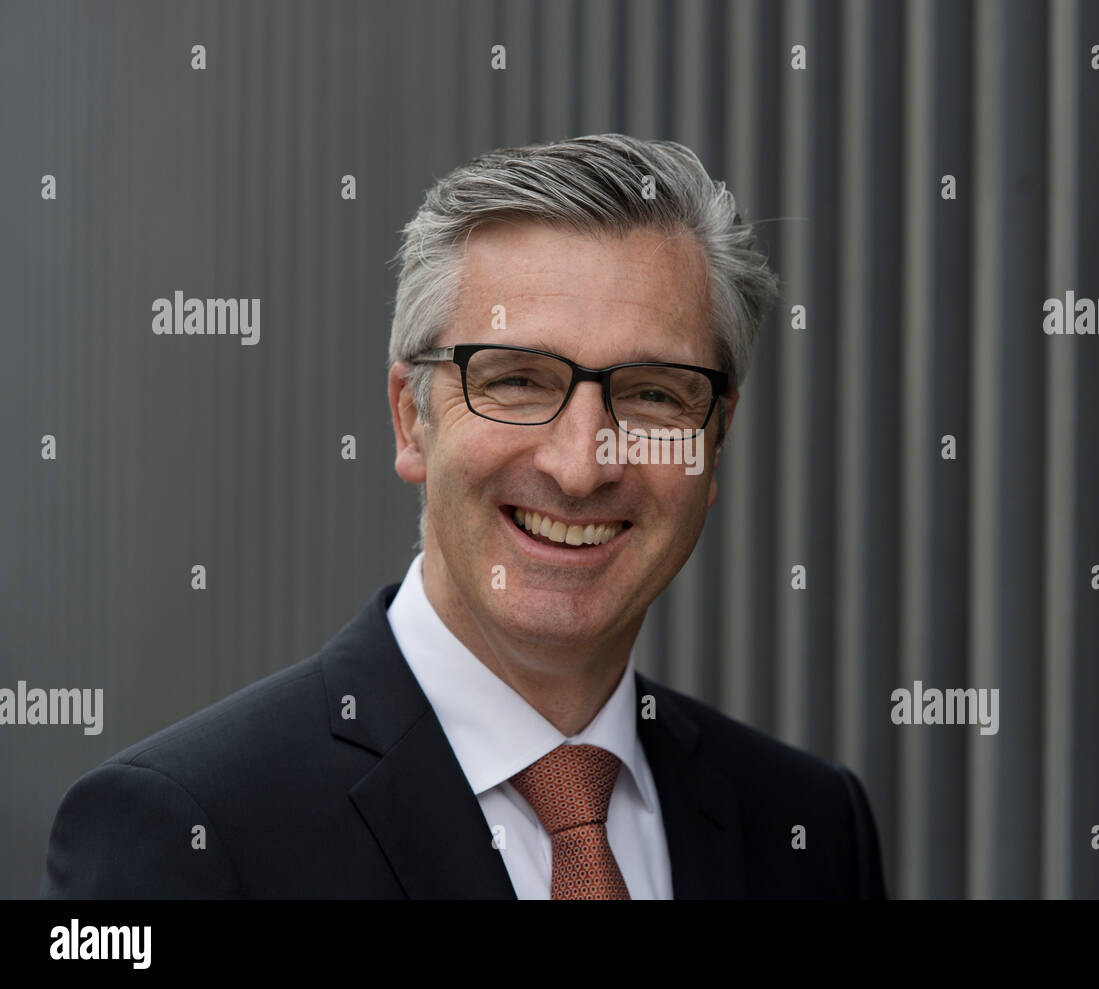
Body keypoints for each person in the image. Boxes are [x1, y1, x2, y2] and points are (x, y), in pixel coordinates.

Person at [41, 134, 887, 899]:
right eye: (518, 380)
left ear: (714, 441)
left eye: (652, 393)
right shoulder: (181, 832)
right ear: (412, 418)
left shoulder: (809, 828)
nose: (581, 464)